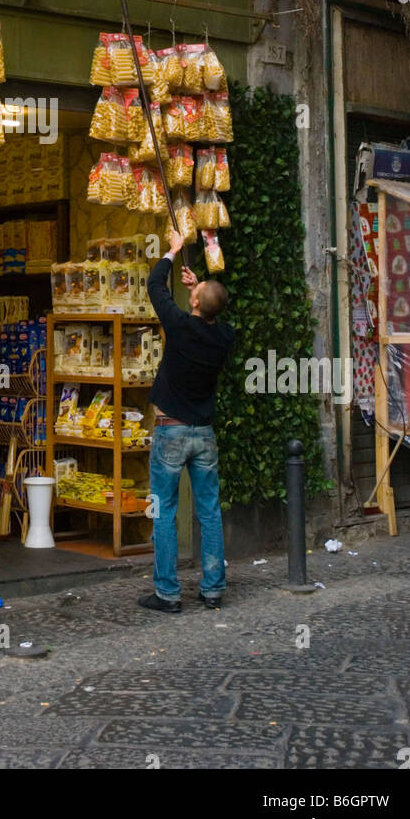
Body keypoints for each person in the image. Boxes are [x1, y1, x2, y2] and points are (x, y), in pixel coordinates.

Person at [140, 230, 235, 613]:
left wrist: (172, 250)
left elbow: (154, 284)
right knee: (209, 510)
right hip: (203, 433)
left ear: (194, 302)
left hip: (170, 430)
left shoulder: (179, 326)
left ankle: (168, 592)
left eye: (195, 295)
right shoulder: (225, 336)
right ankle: (213, 588)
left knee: (163, 511)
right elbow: (210, 318)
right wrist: (199, 290)